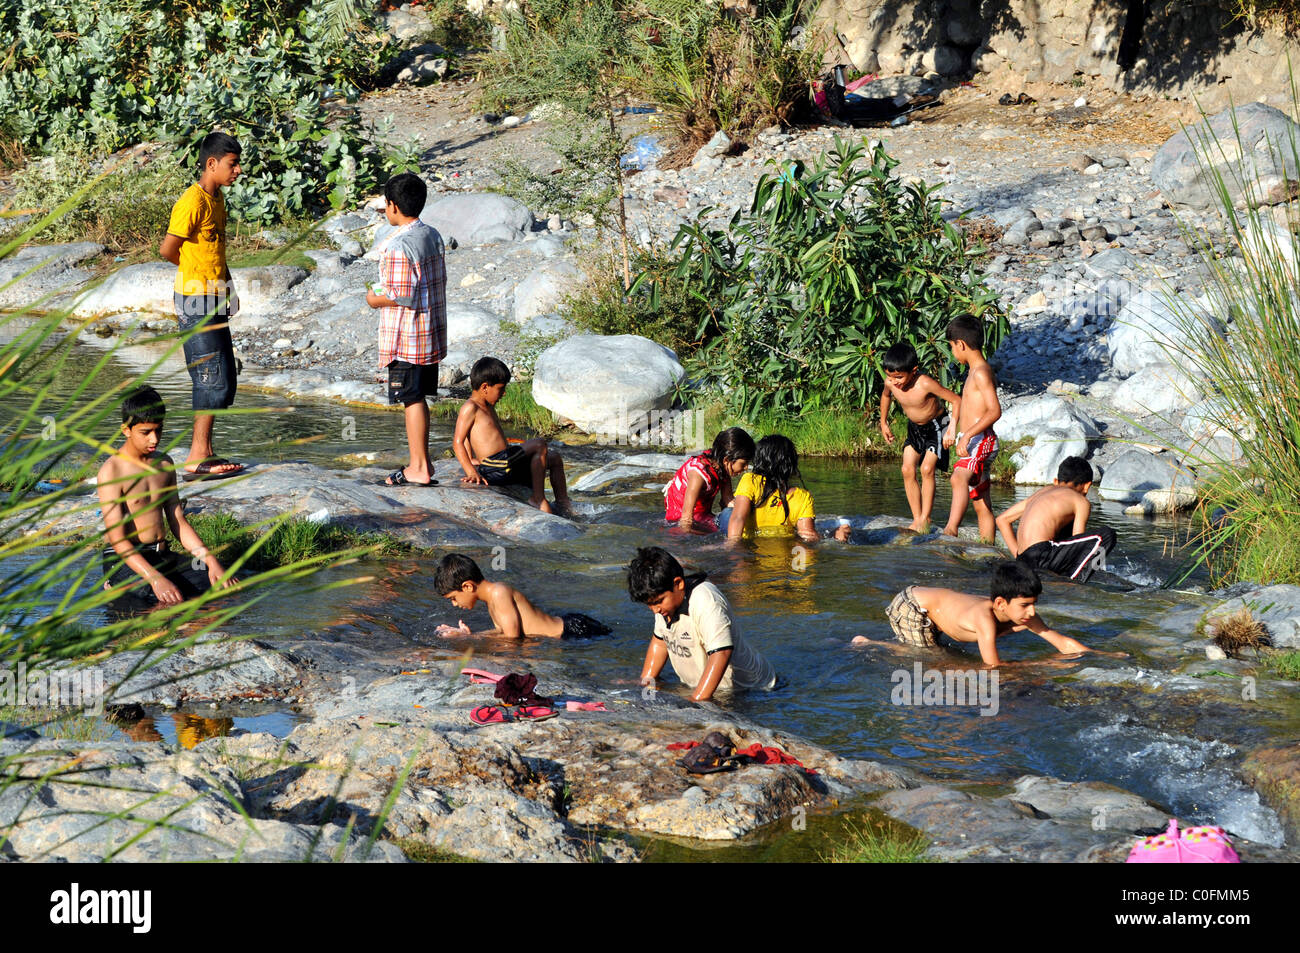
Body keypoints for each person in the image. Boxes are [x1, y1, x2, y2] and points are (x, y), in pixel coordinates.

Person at [97, 386, 236, 610]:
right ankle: (116, 586)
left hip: (162, 556)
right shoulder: (112, 472)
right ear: (126, 430)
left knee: (219, 583)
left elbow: (177, 520)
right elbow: (117, 540)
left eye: (159, 430)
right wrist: (155, 579)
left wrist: (210, 561)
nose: (154, 439)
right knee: (167, 602)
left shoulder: (164, 464)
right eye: (146, 432)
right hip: (125, 560)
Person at [159, 131, 245, 480]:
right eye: (232, 164)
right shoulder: (191, 202)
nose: (238, 170)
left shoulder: (218, 199)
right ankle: (196, 458)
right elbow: (168, 250)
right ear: (212, 164)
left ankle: (205, 450)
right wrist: (195, 277)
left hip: (214, 296)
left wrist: (228, 288)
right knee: (209, 378)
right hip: (195, 299)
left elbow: (216, 250)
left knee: (225, 381)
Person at [366, 172, 447, 487]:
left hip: (407, 338)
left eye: (386, 204)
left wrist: (374, 299)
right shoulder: (432, 234)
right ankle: (422, 462)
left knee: (410, 398)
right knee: (419, 397)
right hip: (429, 333)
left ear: (393, 206)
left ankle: (419, 467)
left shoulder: (399, 245)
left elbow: (401, 295)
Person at [626, 546, 776, 703]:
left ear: (678, 584)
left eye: (658, 602)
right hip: (709, 689)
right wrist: (646, 681)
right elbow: (660, 642)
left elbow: (721, 653)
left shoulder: (705, 599)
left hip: (753, 692)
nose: (654, 610)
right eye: (649, 605)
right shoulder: (665, 605)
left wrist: (697, 700)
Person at [883, 560, 1094, 667]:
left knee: (947, 655)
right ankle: (871, 644)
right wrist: (1041, 664)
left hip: (934, 604)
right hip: (913, 606)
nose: (1032, 611)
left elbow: (1062, 643)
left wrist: (1100, 657)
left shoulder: (1025, 614)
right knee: (935, 660)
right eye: (1025, 605)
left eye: (1034, 604)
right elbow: (993, 668)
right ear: (1002, 603)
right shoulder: (984, 620)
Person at [452, 356, 572, 515]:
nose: (503, 393)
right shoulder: (470, 407)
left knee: (554, 457)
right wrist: (470, 470)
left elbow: (469, 437)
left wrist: (472, 458)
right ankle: (537, 498)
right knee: (539, 443)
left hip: (505, 463)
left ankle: (563, 503)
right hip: (494, 465)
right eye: (500, 389)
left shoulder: (487, 405)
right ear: (485, 387)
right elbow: (459, 440)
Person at [878, 341, 962, 532]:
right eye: (890, 376)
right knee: (907, 469)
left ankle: (926, 517)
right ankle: (917, 518)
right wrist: (883, 422)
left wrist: (952, 428)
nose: (894, 381)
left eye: (898, 377)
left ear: (913, 370)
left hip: (936, 426)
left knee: (926, 469)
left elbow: (956, 400)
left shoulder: (924, 383)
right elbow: (885, 396)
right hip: (914, 428)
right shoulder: (890, 383)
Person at [996, 456, 1118, 583]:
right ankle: (1074, 582)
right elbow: (1078, 542)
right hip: (1042, 555)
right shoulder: (1080, 501)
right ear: (1087, 486)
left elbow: (1002, 519)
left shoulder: (1042, 491)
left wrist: (1018, 556)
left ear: (1056, 481)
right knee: (1106, 535)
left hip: (1024, 559)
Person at [433, 553, 610, 638]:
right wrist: (471, 635)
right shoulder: (492, 597)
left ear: (467, 586)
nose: (454, 604)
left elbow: (512, 639)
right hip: (568, 627)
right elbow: (503, 631)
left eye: (453, 598)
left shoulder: (498, 592)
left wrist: (470, 640)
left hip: (572, 631)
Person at [940, 314, 1002, 542]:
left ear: (961, 344)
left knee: (958, 478)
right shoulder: (974, 372)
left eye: (951, 347)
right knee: (980, 498)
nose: (952, 353)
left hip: (981, 440)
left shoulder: (982, 372)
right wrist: (954, 428)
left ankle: (950, 530)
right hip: (976, 440)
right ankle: (988, 546)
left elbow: (995, 411)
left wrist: (967, 436)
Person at [727, 434, 850, 542]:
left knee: (725, 515)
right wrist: (832, 536)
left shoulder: (750, 480)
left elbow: (738, 518)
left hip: (751, 553)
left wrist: (733, 549)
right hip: (784, 558)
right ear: (791, 465)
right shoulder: (802, 497)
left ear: (760, 461)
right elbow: (808, 537)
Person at [663, 427, 755, 532]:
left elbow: (728, 500)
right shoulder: (698, 475)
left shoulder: (723, 468)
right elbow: (686, 518)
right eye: (743, 463)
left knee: (735, 519)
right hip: (678, 520)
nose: (746, 467)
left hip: (702, 516)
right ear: (727, 460)